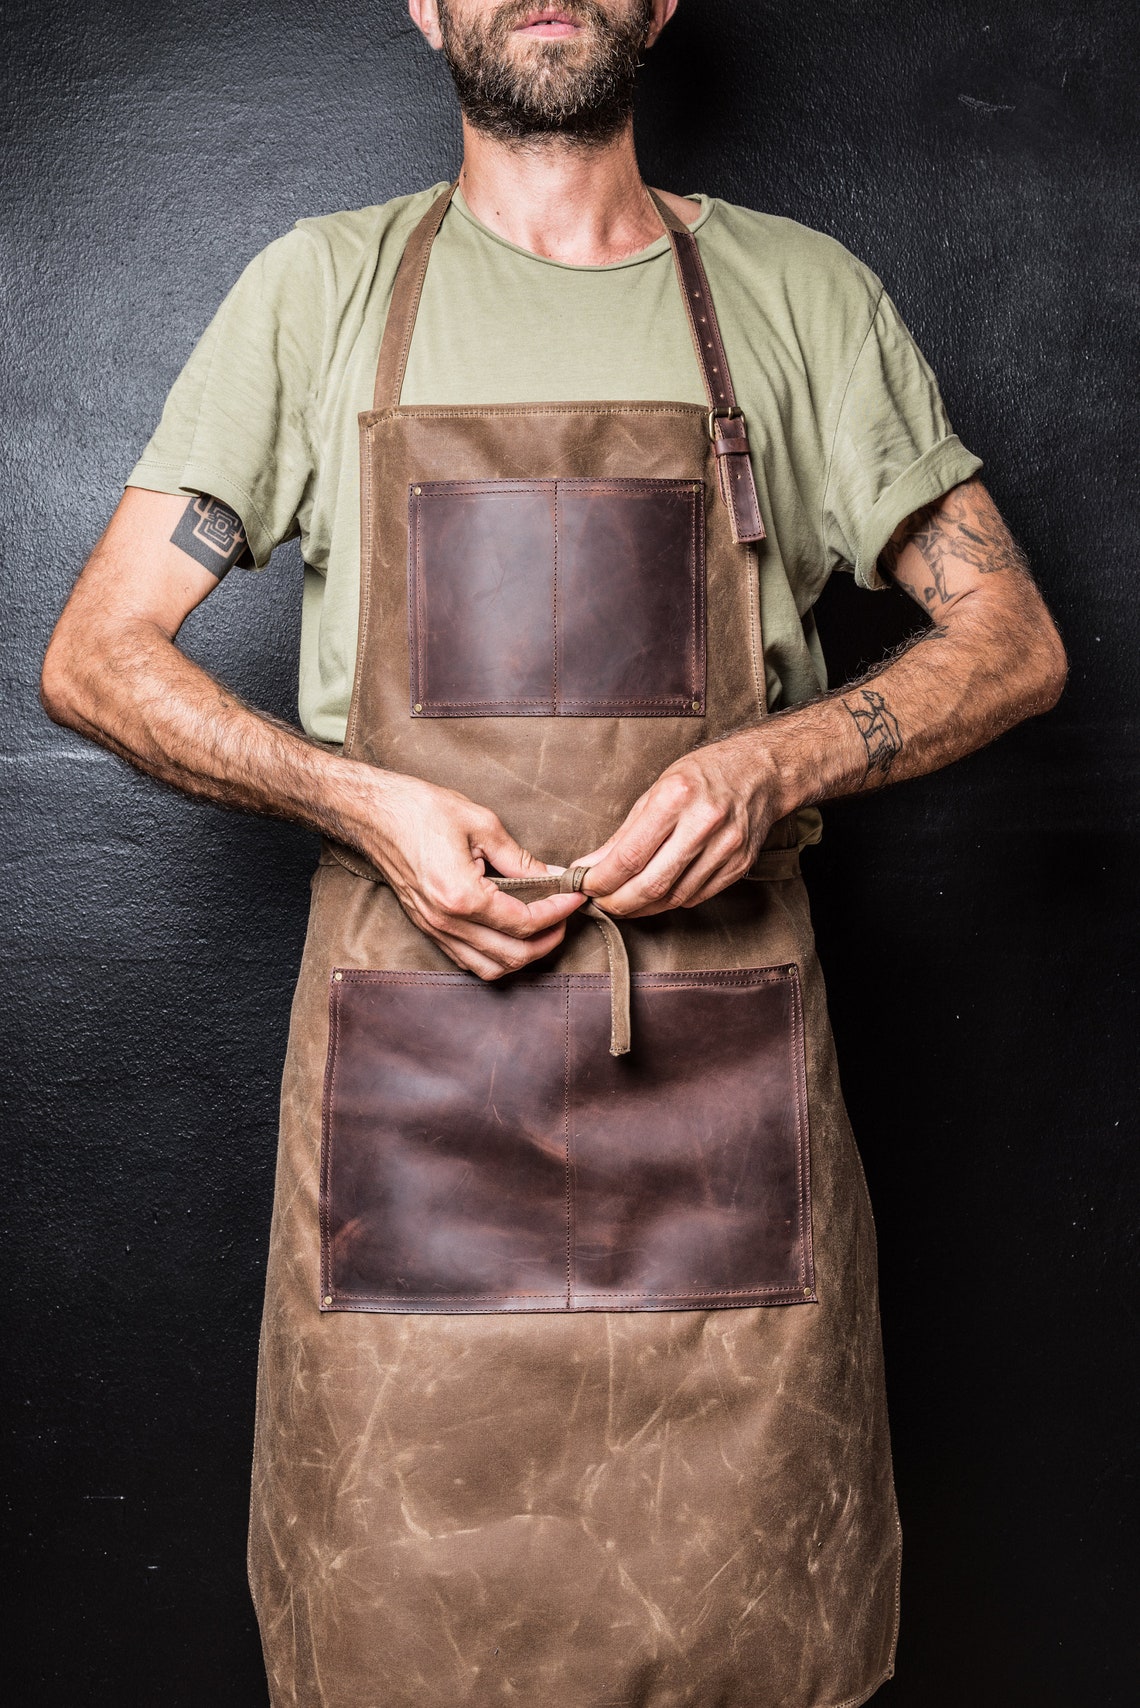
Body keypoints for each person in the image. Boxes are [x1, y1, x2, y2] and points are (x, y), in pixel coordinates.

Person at [40, 2, 1067, 1703]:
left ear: (660, 3)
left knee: (758, 1629)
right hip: (411, 1109)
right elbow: (96, 657)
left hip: (722, 1108)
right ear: (421, 4)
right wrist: (364, 802)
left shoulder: (799, 296)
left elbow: (1013, 639)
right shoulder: (322, 292)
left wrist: (779, 759)